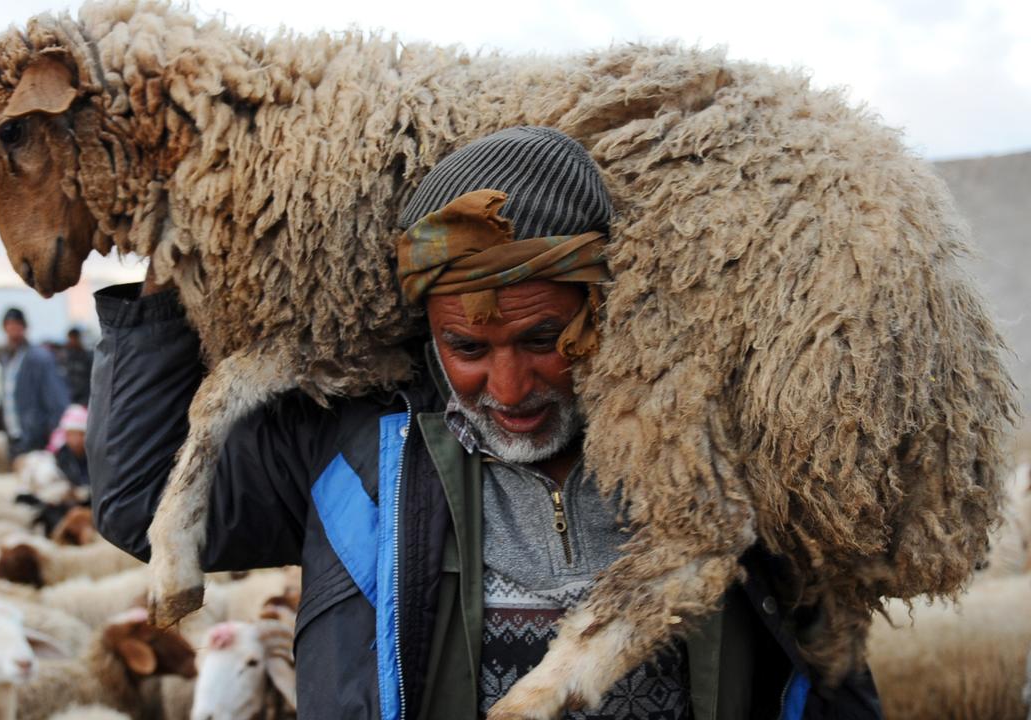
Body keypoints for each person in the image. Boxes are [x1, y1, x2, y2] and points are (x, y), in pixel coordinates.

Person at [87, 128, 883, 719]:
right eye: (467, 346)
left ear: (606, 310)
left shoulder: (727, 453)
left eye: (544, 339)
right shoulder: (360, 449)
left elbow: (826, 666)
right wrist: (170, 265)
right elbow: (137, 503)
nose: (508, 386)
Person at [0, 307, 70, 457]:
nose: (13, 329)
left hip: (35, 435)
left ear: (24, 327)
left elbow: (56, 397)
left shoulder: (39, 357)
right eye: (9, 325)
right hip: (14, 433)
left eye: (17, 325)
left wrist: (51, 431)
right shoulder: (6, 357)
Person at [47, 403, 90, 488]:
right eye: (70, 434)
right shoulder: (61, 456)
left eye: (80, 434)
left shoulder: (94, 455)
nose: (75, 440)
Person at [61, 327, 93, 406]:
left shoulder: (86, 356)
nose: (71, 341)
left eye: (73, 338)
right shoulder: (67, 355)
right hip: (71, 396)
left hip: (85, 396)